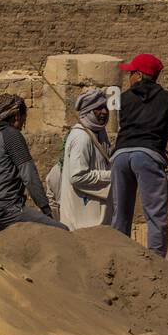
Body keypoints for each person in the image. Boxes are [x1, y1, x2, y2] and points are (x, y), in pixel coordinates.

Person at [109, 53, 168, 256]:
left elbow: (116, 127)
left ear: (141, 75)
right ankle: (157, 261)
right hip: (148, 156)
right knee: (155, 214)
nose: (129, 77)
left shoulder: (122, 98)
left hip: (120, 157)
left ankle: (119, 256)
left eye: (132, 73)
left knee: (120, 213)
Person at [0, 93, 61, 232]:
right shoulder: (11, 135)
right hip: (9, 208)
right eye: (23, 121)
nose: (22, 126)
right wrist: (45, 209)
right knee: (61, 231)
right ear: (16, 116)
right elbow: (29, 176)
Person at [59, 89, 113, 231]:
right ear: (88, 111)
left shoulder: (99, 133)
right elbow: (78, 176)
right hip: (82, 222)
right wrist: (111, 176)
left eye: (105, 107)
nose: (104, 112)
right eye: (98, 108)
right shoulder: (81, 137)